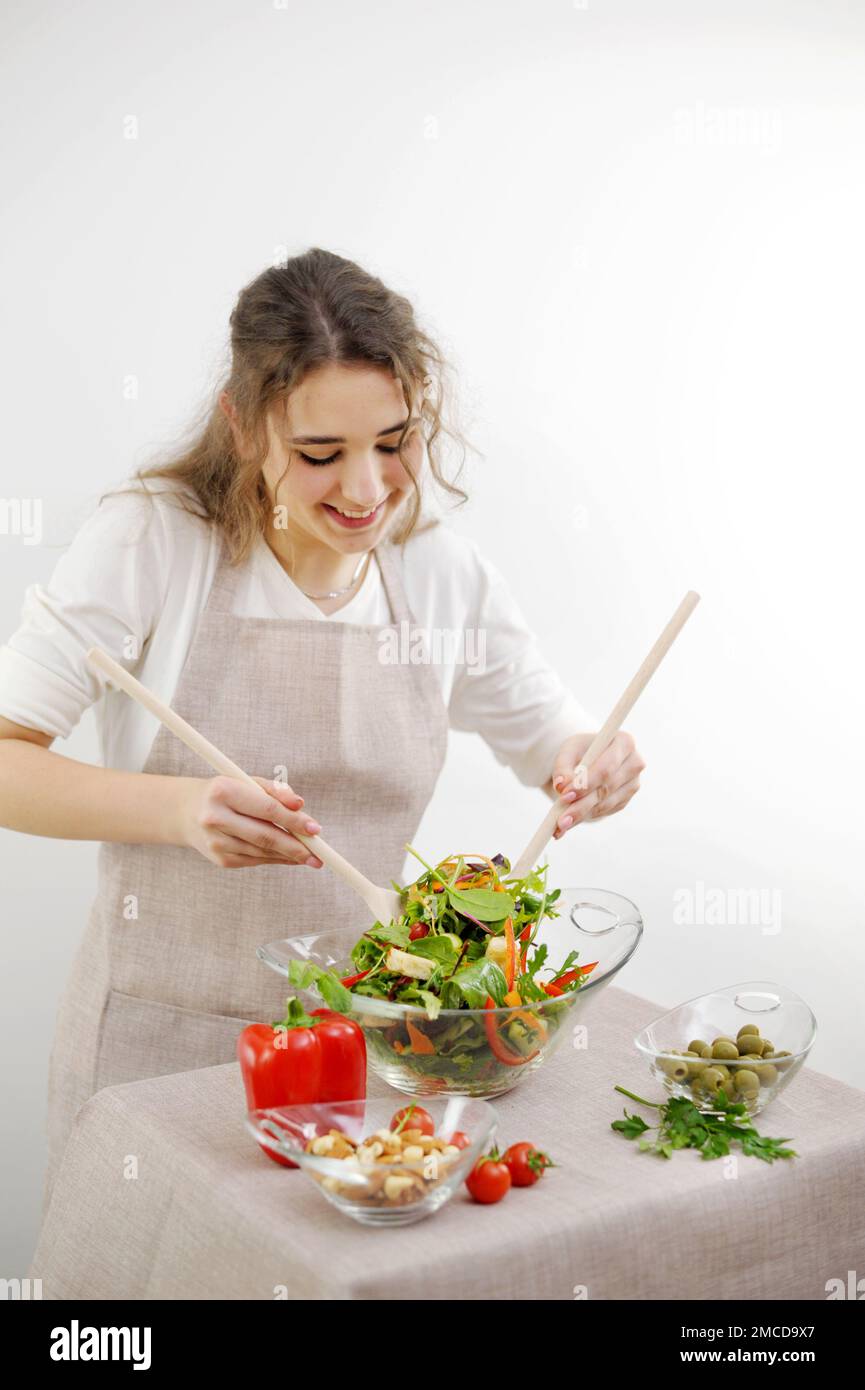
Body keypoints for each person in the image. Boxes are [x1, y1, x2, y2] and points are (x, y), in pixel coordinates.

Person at [0, 247, 646, 1205]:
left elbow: (545, 734)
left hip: (371, 1054)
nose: (367, 488)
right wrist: (181, 810)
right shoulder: (154, 541)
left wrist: (590, 759)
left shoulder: (437, 571)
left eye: (395, 441)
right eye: (319, 454)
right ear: (243, 424)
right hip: (163, 1048)